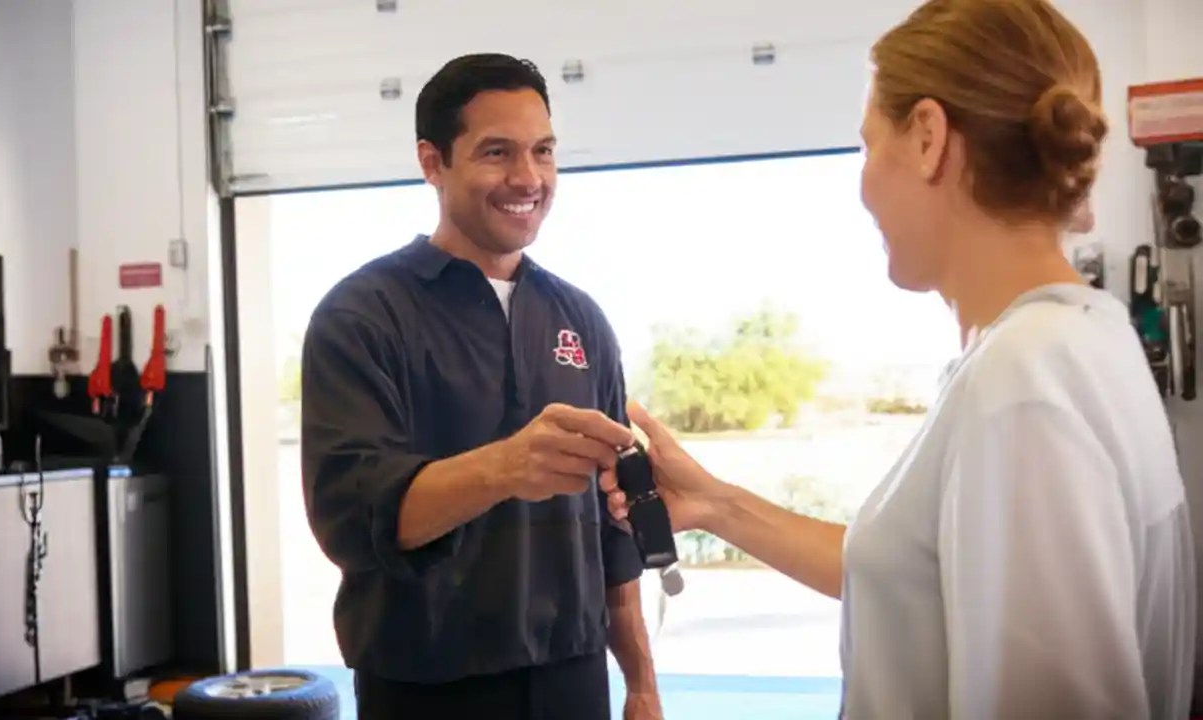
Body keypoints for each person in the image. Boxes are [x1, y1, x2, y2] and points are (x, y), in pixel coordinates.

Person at [604, 0, 1197, 717]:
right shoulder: (1087, 339)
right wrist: (715, 504)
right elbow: (917, 573)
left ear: (926, 138)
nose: (862, 189)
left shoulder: (1024, 384)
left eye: (866, 145)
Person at [301, 53, 663, 719]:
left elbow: (613, 532)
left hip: (571, 677)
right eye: (497, 152)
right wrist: (504, 467)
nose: (527, 178)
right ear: (433, 162)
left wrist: (639, 681)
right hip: (427, 682)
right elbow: (352, 519)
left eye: (543, 152)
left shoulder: (580, 318)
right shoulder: (362, 316)